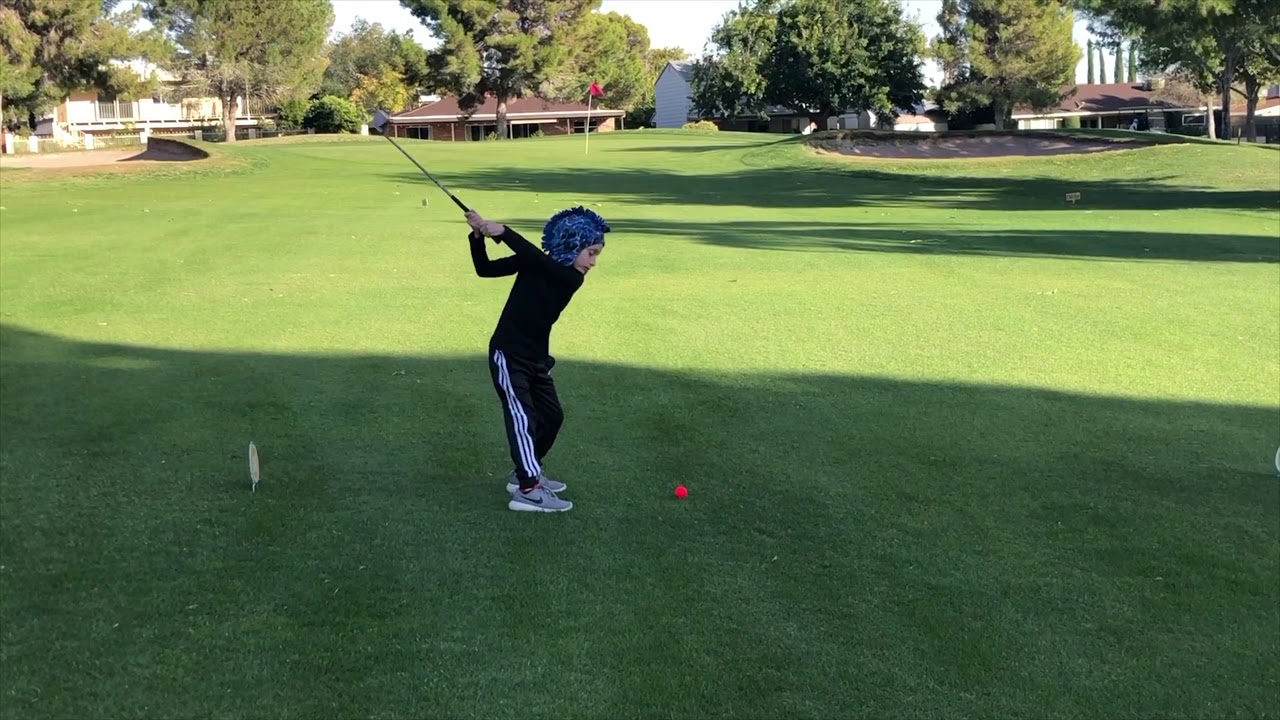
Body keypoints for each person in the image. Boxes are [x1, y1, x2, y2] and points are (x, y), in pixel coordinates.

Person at [466, 206, 609, 512]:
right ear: (572, 246)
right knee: (522, 417)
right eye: (591, 253)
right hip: (508, 353)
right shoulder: (538, 264)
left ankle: (527, 472)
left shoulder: (569, 277)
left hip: (536, 359)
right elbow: (485, 269)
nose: (593, 263)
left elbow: (536, 259)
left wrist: (504, 232)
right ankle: (529, 489)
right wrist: (478, 236)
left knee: (552, 416)